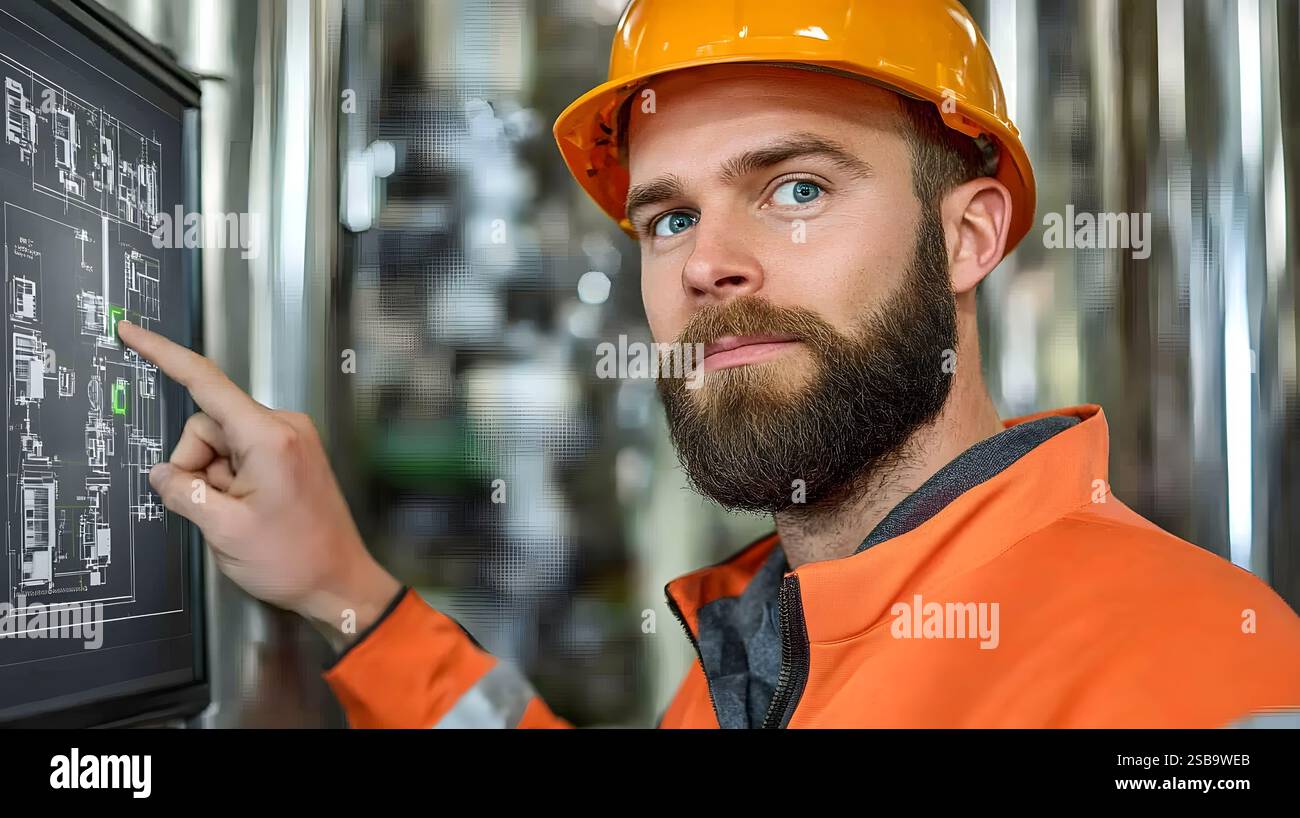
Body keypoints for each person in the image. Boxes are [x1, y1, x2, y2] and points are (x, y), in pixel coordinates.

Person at [117, 0, 1300, 728]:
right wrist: (346, 592)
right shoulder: (785, 635)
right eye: (667, 218)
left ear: (968, 236)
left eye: (794, 188)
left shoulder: (1191, 670)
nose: (707, 265)